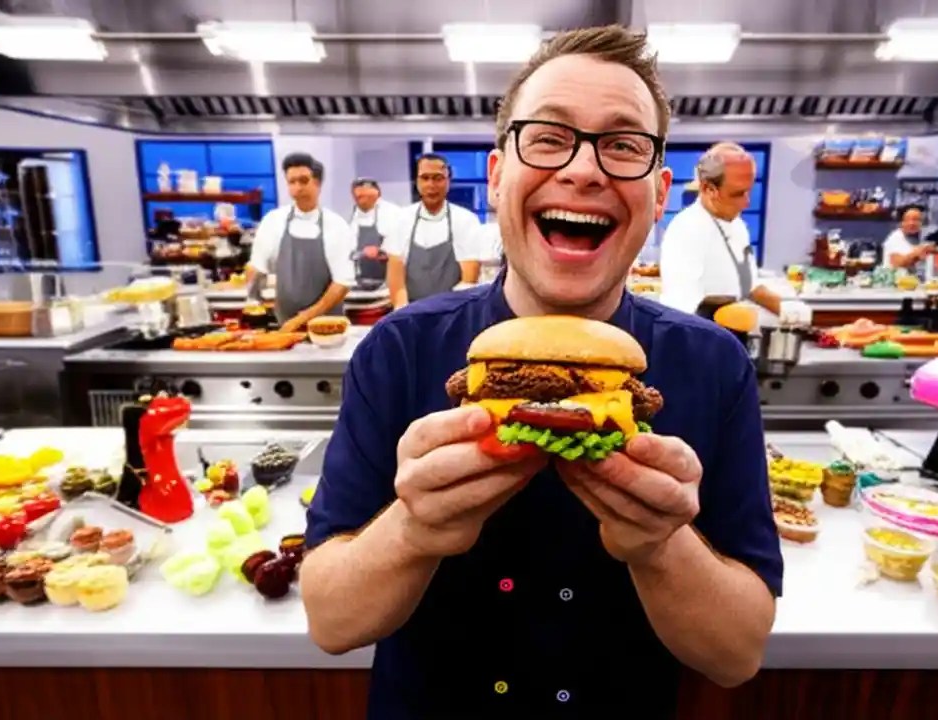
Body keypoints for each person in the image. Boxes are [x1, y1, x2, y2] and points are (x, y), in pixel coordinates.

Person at [301, 25, 781, 720]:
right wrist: (413, 530)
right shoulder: (398, 349)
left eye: (623, 146)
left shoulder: (714, 365)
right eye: (549, 137)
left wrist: (660, 546)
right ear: (497, 177)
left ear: (658, 191)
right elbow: (331, 624)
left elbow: (736, 656)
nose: (584, 170)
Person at [657, 143, 783, 317]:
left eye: (748, 192)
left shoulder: (737, 227)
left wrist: (795, 313)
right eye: (737, 194)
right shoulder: (687, 230)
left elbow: (750, 285)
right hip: (698, 335)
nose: (746, 203)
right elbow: (682, 306)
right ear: (708, 189)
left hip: (732, 334)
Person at [245, 152, 355, 331]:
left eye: (303, 181)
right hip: (283, 324)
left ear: (317, 183)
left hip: (327, 327)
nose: (297, 187)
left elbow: (342, 284)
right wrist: (252, 296)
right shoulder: (274, 221)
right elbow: (257, 267)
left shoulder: (335, 225)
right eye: (291, 182)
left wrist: (302, 319)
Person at [384, 154, 484, 308]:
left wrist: (445, 314)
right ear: (417, 182)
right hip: (411, 313)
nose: (431, 185)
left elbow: (469, 279)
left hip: (453, 311)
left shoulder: (465, 220)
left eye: (438, 178)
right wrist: (404, 314)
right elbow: (396, 281)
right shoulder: (400, 219)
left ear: (448, 182)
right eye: (425, 178)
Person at [349, 177, 400, 287]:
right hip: (362, 280)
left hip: (389, 282)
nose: (359, 198)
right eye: (357, 196)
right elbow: (350, 247)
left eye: (364, 195)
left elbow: (401, 246)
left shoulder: (392, 212)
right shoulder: (355, 214)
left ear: (377, 194)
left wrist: (381, 251)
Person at [881, 204, 936, 270]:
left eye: (916, 220)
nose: (912, 223)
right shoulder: (894, 238)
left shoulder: (924, 236)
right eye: (907, 220)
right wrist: (918, 253)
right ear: (901, 222)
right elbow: (898, 263)